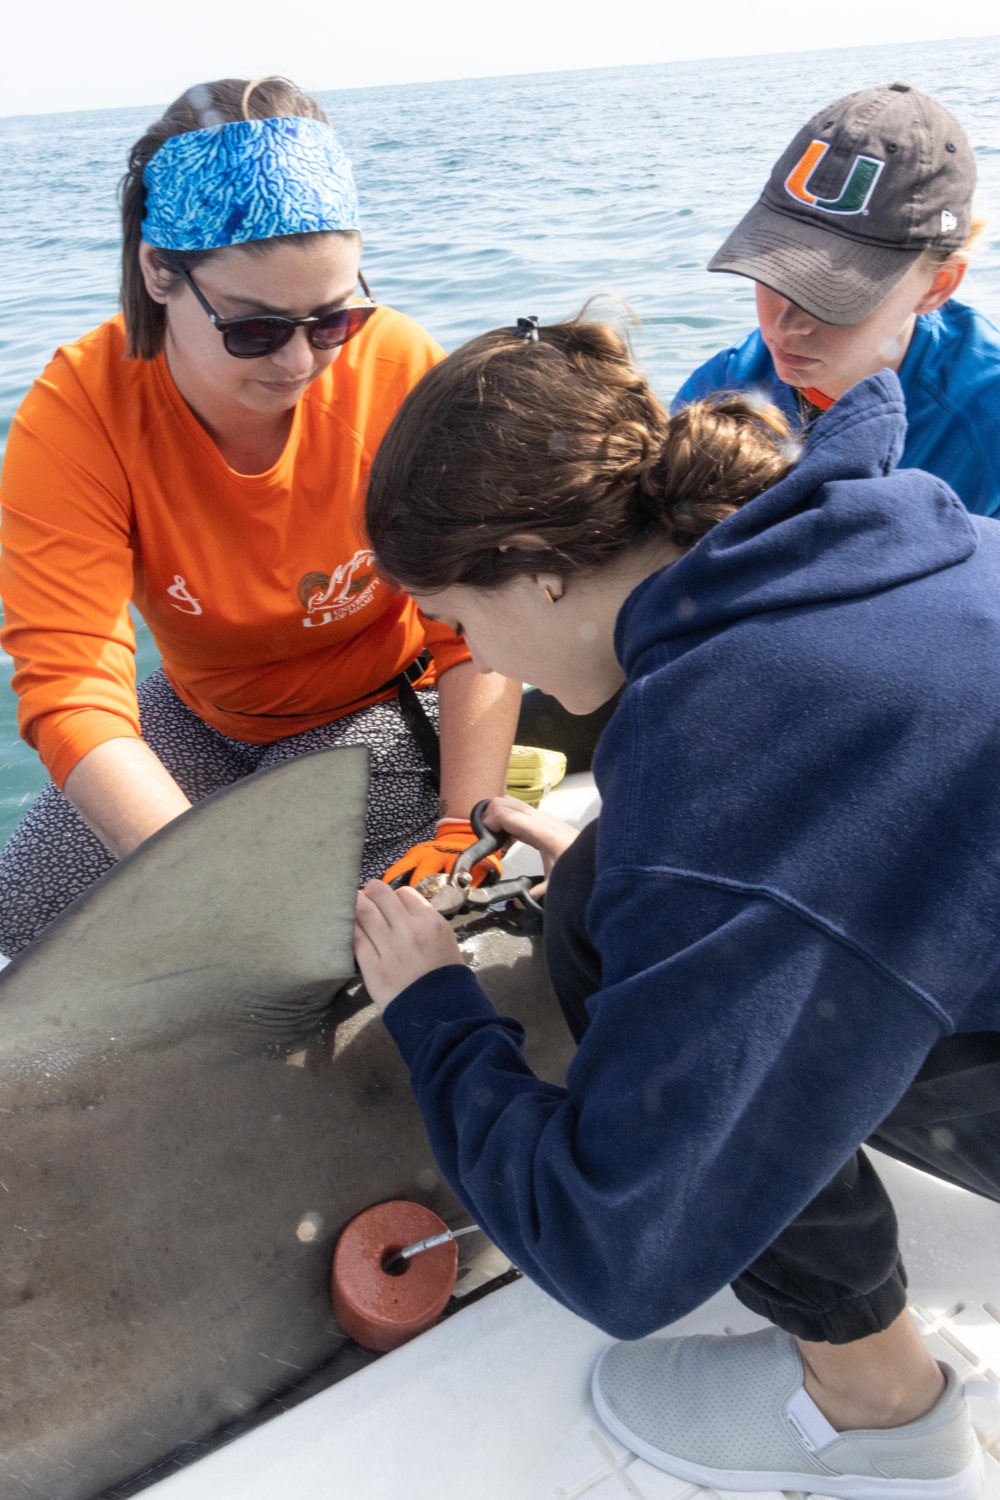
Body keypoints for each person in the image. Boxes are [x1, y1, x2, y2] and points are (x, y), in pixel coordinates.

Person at [353, 314, 1000, 1500]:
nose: (478, 659)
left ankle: (871, 1407)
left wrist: (438, 1014)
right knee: (596, 896)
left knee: (612, 934)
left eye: (459, 620)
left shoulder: (717, 755)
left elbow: (615, 1250)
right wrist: (650, 869)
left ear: (537, 565)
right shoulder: (895, 541)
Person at [0, 76, 521, 958]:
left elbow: (477, 620)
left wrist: (462, 822)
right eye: (254, 329)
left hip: (385, 700)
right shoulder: (79, 410)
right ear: (159, 272)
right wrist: (207, 886)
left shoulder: (396, 369)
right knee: (24, 924)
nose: (299, 363)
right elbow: (72, 682)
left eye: (332, 320)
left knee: (334, 931)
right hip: (201, 713)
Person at [673, 82, 1000, 518]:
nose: (786, 325)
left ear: (936, 287)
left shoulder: (988, 422)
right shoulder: (720, 391)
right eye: (774, 272)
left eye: (834, 293)